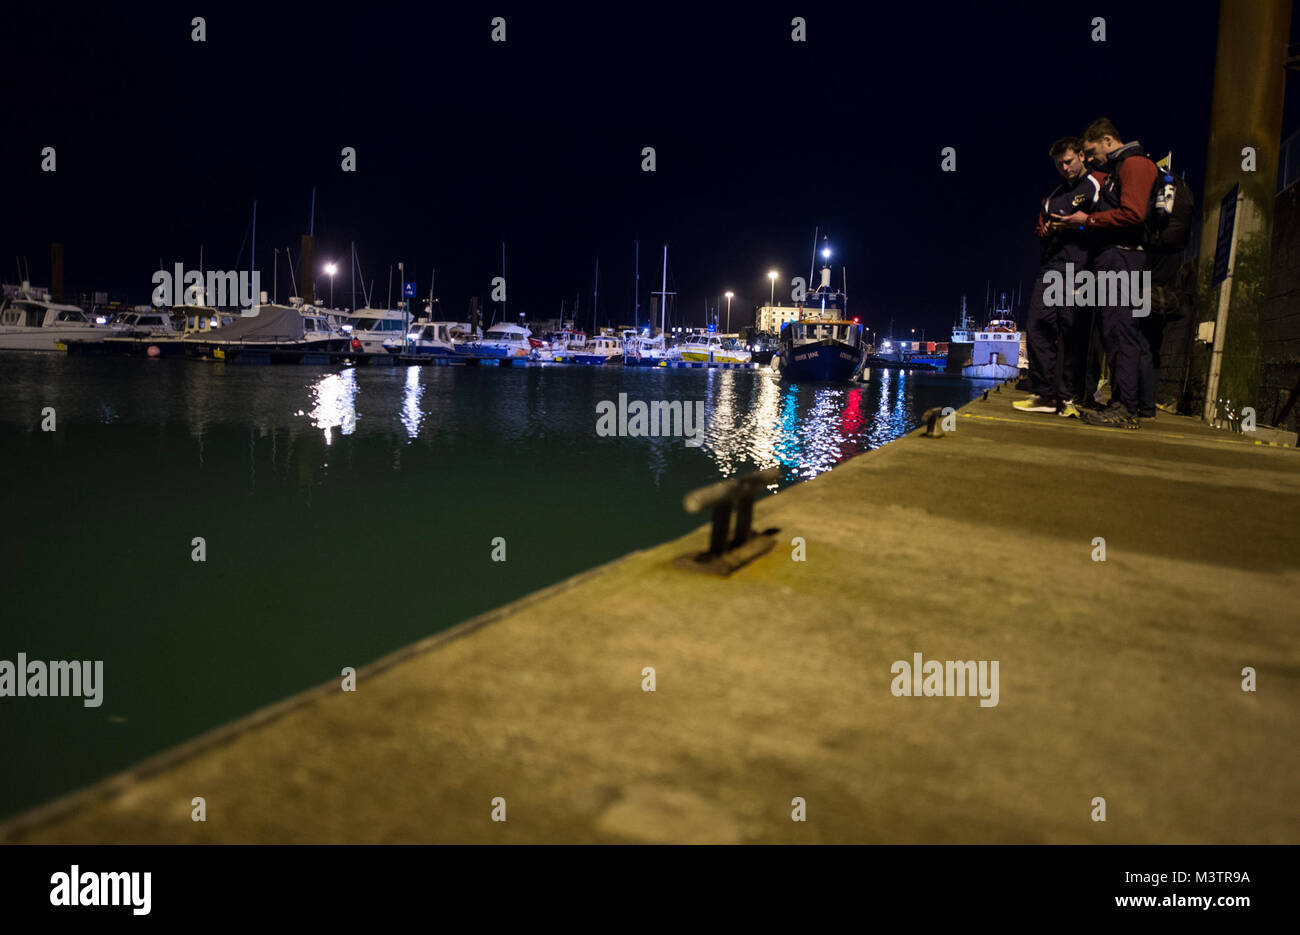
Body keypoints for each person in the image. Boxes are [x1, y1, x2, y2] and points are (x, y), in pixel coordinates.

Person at [1051, 118, 1157, 429]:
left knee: (1121, 332)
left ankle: (1126, 406)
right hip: (1115, 260)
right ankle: (1121, 403)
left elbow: (1133, 213)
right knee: (1114, 332)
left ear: (1108, 141)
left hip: (1124, 258)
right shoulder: (1120, 168)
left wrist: (1088, 220)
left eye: (1092, 151)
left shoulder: (1134, 165)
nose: (1091, 159)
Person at [1015, 137, 1104, 417]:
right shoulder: (1054, 195)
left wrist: (1079, 224)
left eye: (1068, 161)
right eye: (1059, 164)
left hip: (1081, 267)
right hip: (1051, 265)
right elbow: (1043, 227)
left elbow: (1110, 222)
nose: (1065, 167)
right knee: (1037, 325)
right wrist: (1050, 230)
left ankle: (1070, 396)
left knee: (1073, 332)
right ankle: (1045, 393)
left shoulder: (1096, 186)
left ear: (1081, 156)